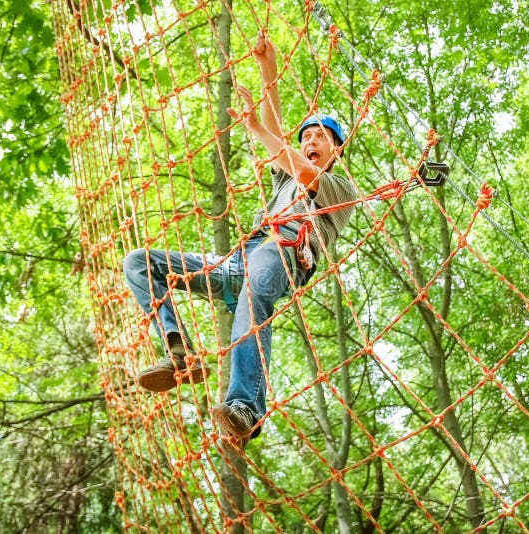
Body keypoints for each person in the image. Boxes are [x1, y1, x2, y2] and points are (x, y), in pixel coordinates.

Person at [122, 32, 356, 444]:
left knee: (254, 292)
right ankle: (179, 353)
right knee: (140, 262)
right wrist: (268, 68)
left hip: (283, 252)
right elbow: (277, 134)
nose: (310, 141)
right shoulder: (288, 170)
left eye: (320, 136)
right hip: (242, 256)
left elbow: (296, 164)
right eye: (307, 137)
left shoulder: (340, 189)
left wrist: (257, 131)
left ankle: (245, 406)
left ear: (336, 149)